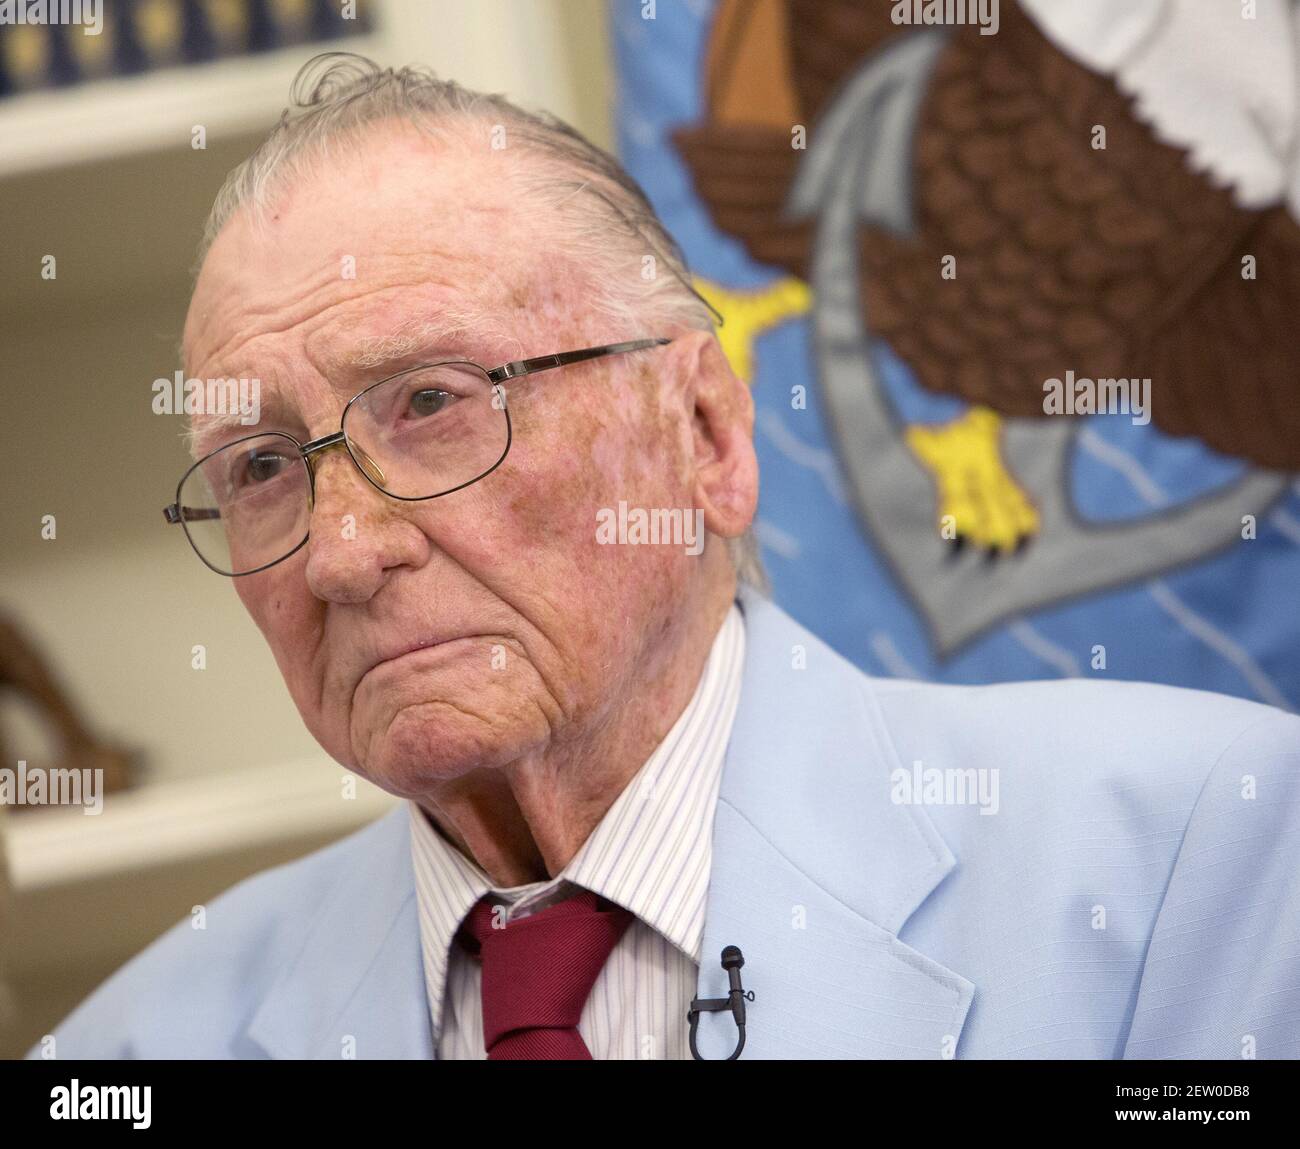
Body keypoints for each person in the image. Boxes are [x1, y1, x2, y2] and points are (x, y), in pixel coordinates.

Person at [34, 55, 1300, 1060]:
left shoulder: (1216, 859)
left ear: (704, 433)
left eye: (429, 403)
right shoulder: (125, 1056)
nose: (343, 553)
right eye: (260, 468)